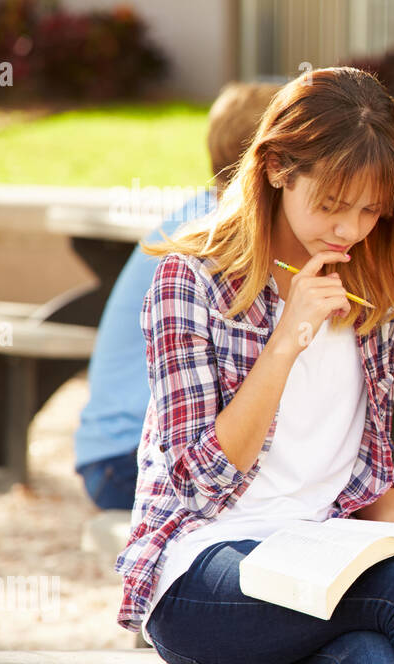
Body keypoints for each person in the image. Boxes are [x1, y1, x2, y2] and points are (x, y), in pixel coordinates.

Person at [115, 66, 394, 664]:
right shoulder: (189, 282)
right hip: (202, 576)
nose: (350, 229)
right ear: (273, 171)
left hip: (319, 563)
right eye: (332, 204)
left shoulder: (373, 296)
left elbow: (368, 476)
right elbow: (199, 482)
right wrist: (286, 340)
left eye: (370, 211)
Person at [75, 82, 280, 510]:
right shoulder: (218, 238)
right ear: (272, 160)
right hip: (127, 459)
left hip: (107, 452)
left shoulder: (197, 211)